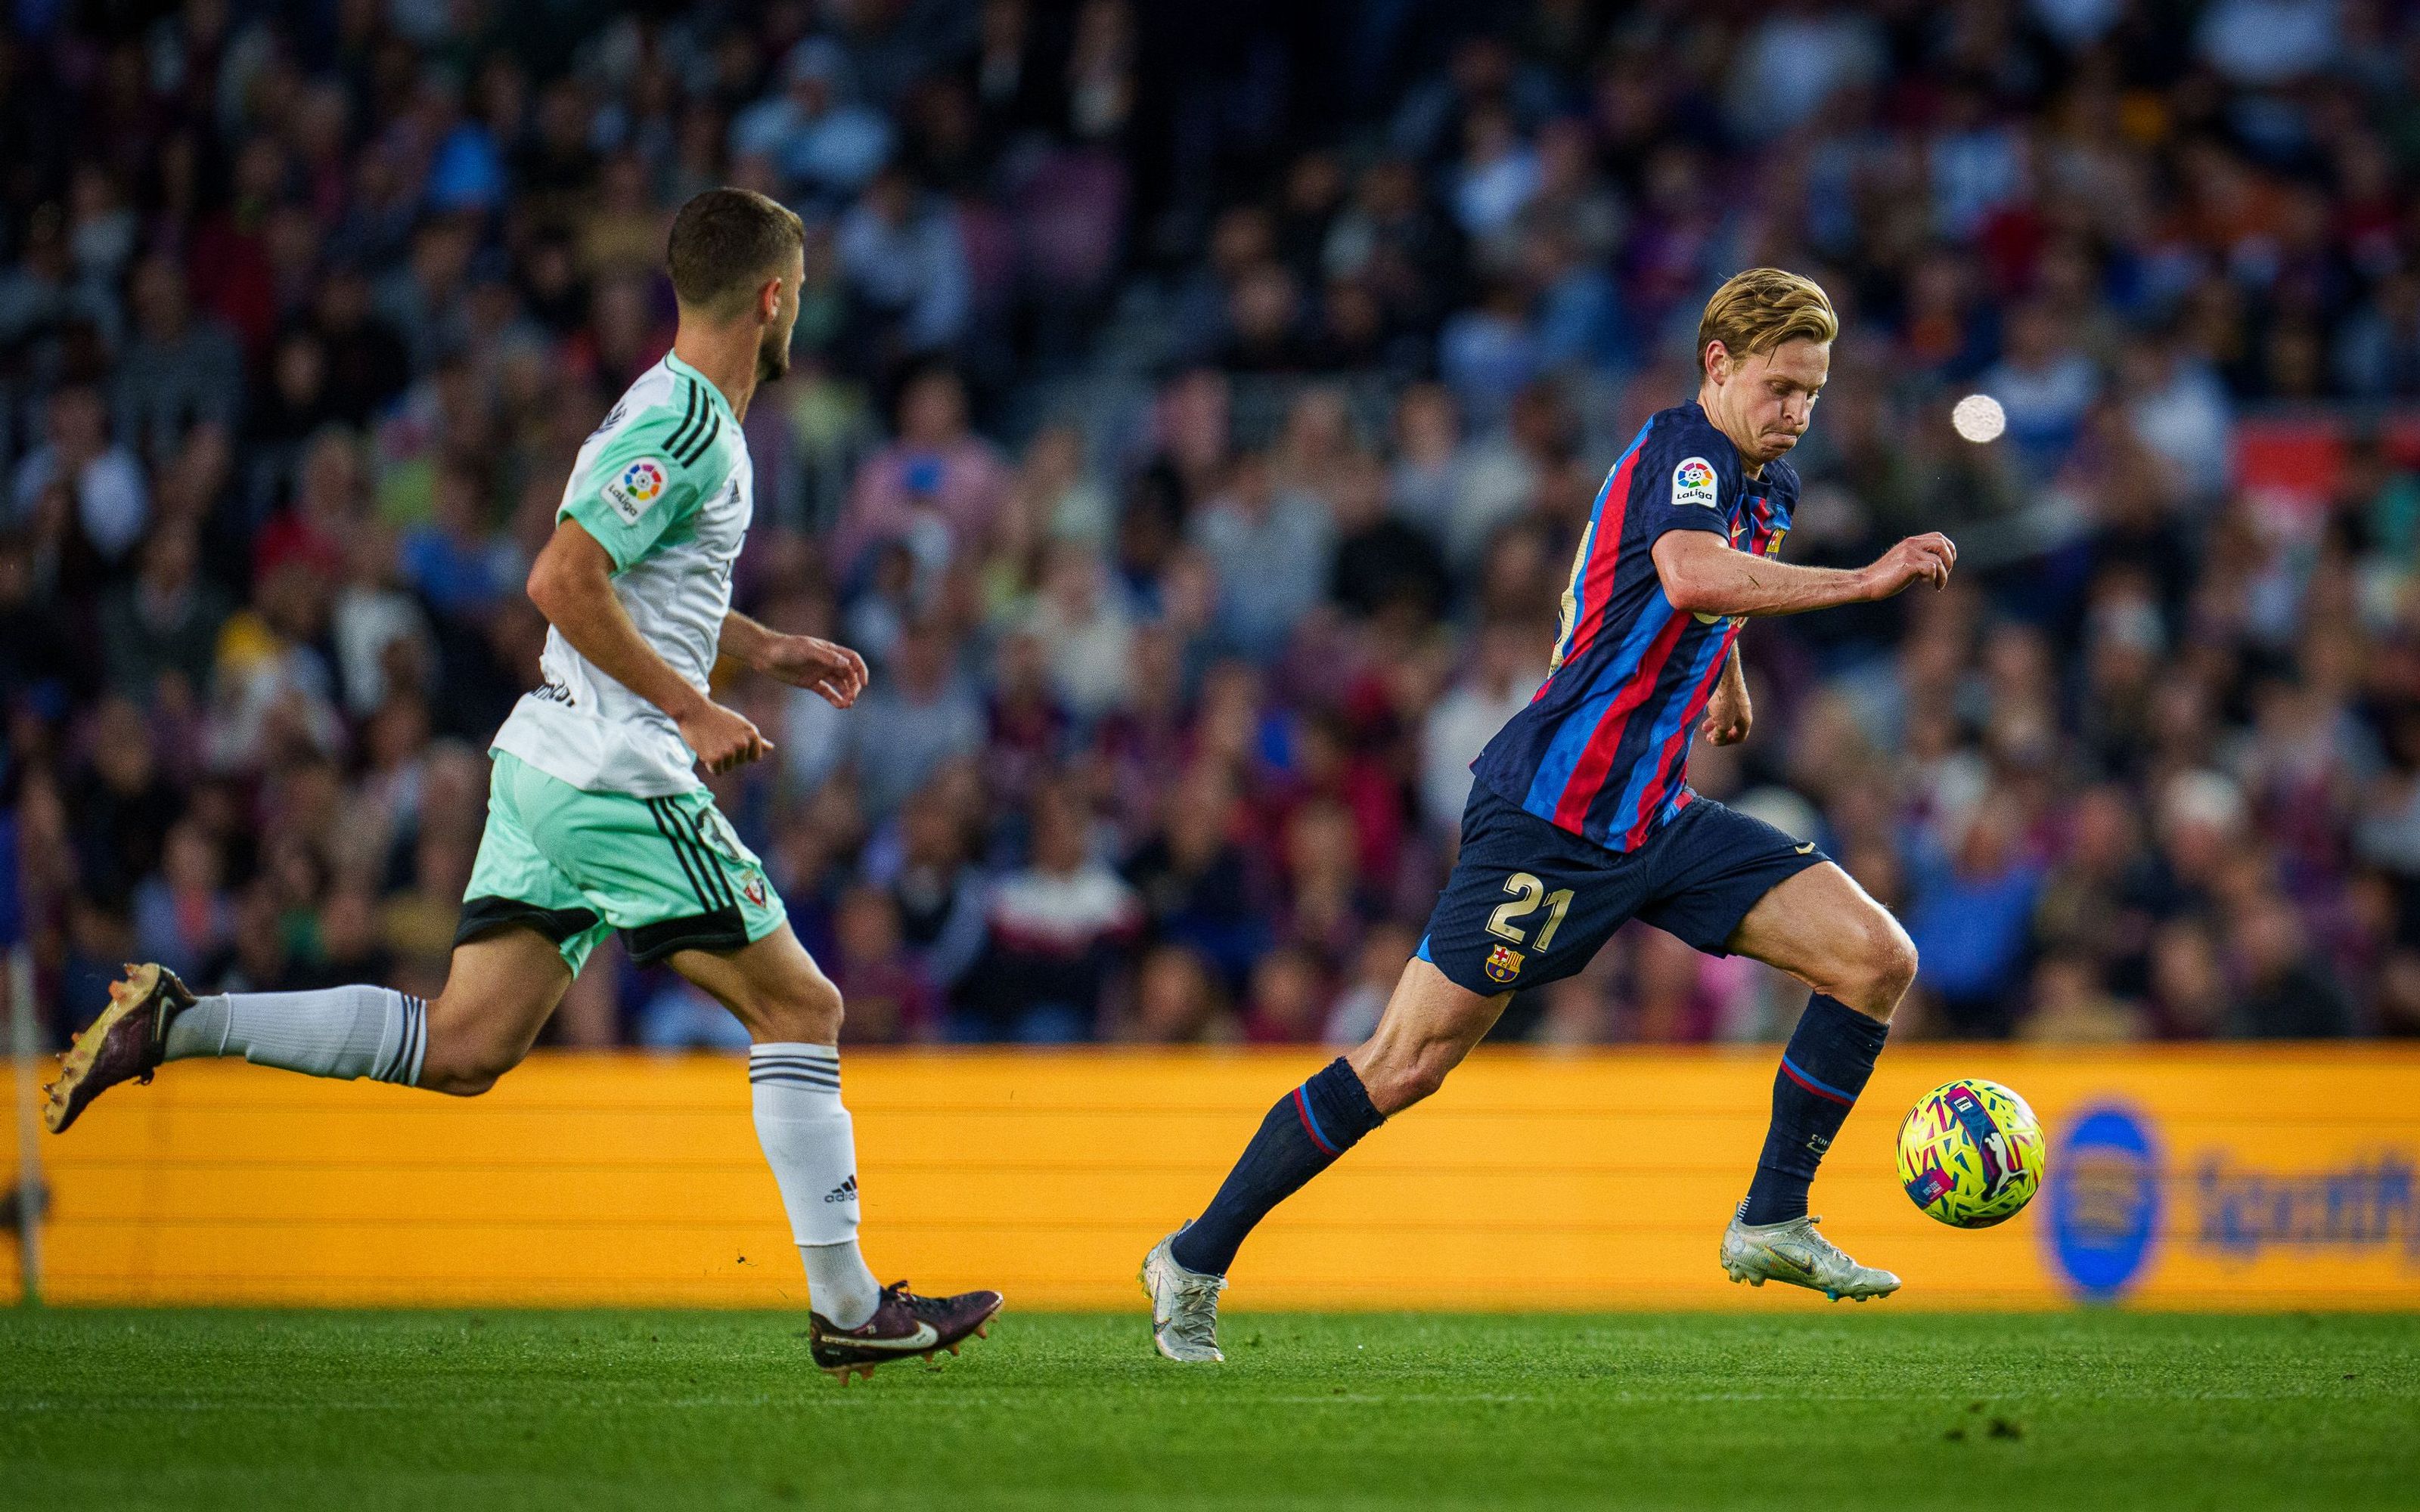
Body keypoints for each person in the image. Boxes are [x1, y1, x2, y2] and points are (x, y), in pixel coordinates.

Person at [42, 188, 1001, 1383]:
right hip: (616, 777)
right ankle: (850, 1305)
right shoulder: (692, 426)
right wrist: (693, 706)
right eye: (798, 291)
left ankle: (183, 1023)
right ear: (771, 298)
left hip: (546, 761)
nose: (800, 308)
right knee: (801, 1010)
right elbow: (562, 581)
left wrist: (764, 651)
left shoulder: (665, 412)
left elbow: (643, 588)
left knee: (465, 1047)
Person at [1140, 269, 1959, 1362]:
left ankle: (1772, 1217)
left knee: (1873, 958)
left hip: (1655, 817)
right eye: (1780, 387)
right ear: (1717, 365)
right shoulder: (1688, 455)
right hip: (1550, 819)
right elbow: (1686, 571)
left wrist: (1724, 680)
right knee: (1406, 1063)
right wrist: (1862, 582)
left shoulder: (1766, 480)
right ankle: (1193, 1258)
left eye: (1813, 391)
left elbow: (1649, 594)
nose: (1798, 412)